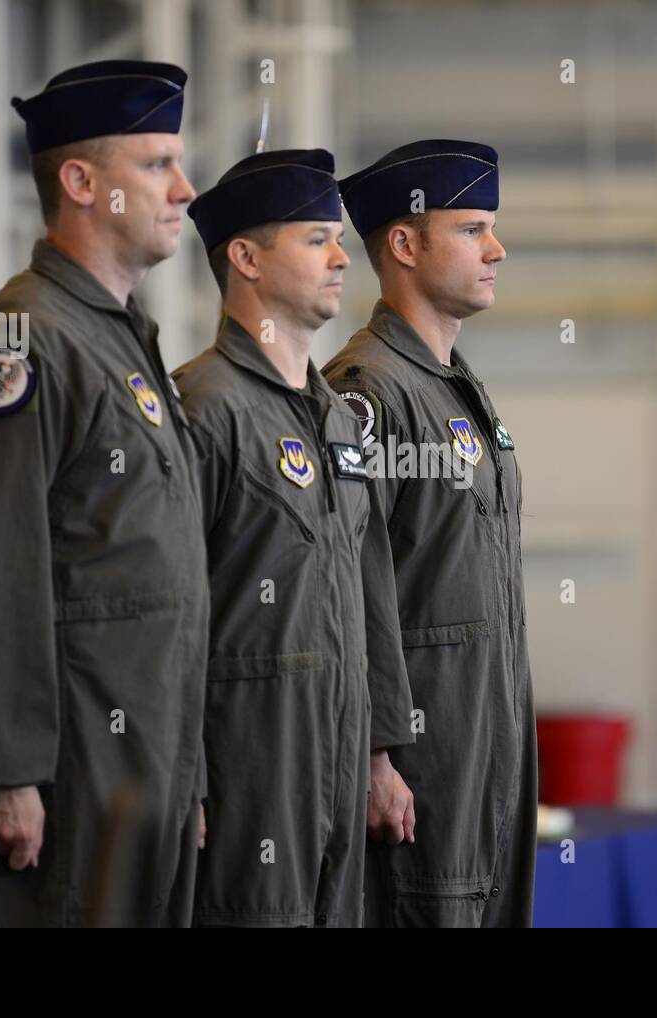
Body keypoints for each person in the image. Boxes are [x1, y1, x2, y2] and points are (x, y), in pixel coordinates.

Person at [0, 60, 207, 927]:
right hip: (73, 773)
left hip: (148, 763)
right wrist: (5, 771)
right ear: (82, 183)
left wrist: (189, 771)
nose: (185, 188)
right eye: (157, 164)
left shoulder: (120, 342)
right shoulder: (23, 342)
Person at [172, 148, 415, 927]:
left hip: (337, 757)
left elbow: (369, 589)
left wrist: (379, 753)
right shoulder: (203, 409)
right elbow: (166, 613)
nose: (342, 258)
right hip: (248, 759)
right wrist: (182, 777)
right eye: (316, 240)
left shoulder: (338, 419)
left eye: (338, 240)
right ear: (246, 258)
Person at [322, 139, 537, 927]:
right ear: (405, 245)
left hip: (488, 747)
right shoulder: (369, 393)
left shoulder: (454, 388)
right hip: (425, 763)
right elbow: (348, 587)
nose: (496, 249)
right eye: (473, 229)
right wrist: (375, 755)